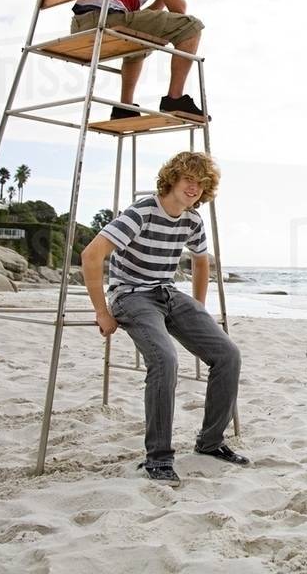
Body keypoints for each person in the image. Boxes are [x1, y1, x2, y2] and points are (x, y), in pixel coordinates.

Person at [81, 151, 246, 482]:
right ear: (173, 178)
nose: (194, 187)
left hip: (167, 293)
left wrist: (198, 306)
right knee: (166, 360)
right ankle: (158, 457)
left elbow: (201, 261)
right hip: (131, 296)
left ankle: (211, 443)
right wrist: (102, 311)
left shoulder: (192, 220)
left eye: (201, 184)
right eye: (188, 179)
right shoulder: (141, 212)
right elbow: (91, 254)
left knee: (228, 354)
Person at [71, 0, 208, 120]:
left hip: (81, 24)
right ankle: (174, 99)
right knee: (191, 25)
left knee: (139, 40)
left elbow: (141, 18)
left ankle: (124, 107)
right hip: (106, 19)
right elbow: (179, 10)